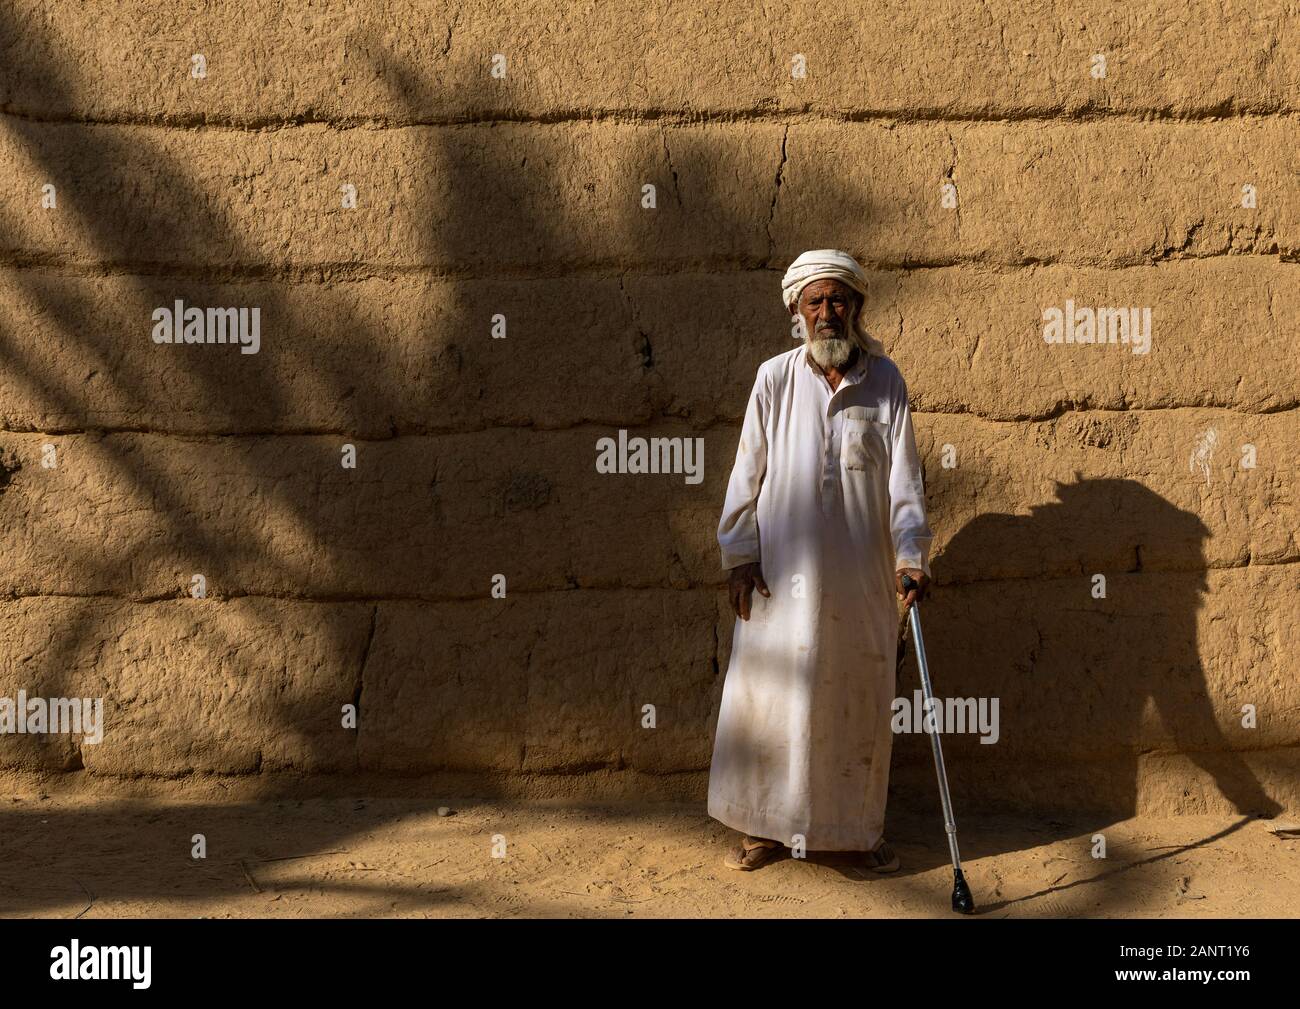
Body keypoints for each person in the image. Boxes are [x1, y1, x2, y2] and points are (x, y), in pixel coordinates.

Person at [708, 248, 933, 872]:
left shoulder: (886, 380)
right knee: (770, 699)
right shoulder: (773, 378)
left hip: (860, 580)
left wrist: (911, 556)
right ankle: (762, 831)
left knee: (852, 702)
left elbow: (905, 483)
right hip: (778, 578)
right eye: (815, 302)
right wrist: (740, 553)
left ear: (856, 307)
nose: (827, 313)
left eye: (838, 300)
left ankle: (854, 834)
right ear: (798, 312)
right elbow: (745, 474)